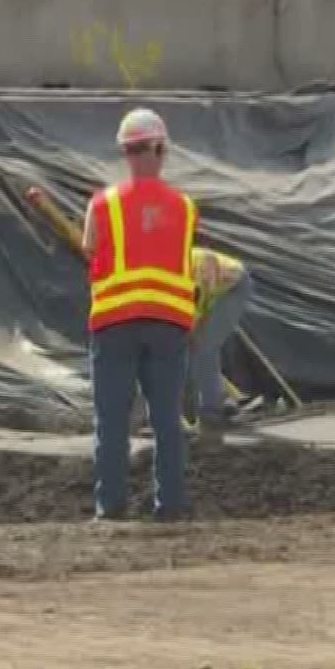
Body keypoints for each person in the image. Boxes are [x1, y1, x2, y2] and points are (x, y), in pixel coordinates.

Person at [82, 108, 197, 522]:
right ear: (161, 148)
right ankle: (171, 507)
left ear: (125, 152)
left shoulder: (102, 205)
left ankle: (111, 508)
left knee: (112, 422)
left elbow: (90, 249)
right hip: (168, 324)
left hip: (114, 324)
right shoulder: (185, 207)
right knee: (167, 421)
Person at [186, 246, 253, 436]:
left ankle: (212, 411)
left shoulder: (195, 269)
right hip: (211, 290)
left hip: (233, 286)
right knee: (196, 349)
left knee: (204, 349)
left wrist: (193, 331)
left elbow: (203, 302)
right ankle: (223, 401)